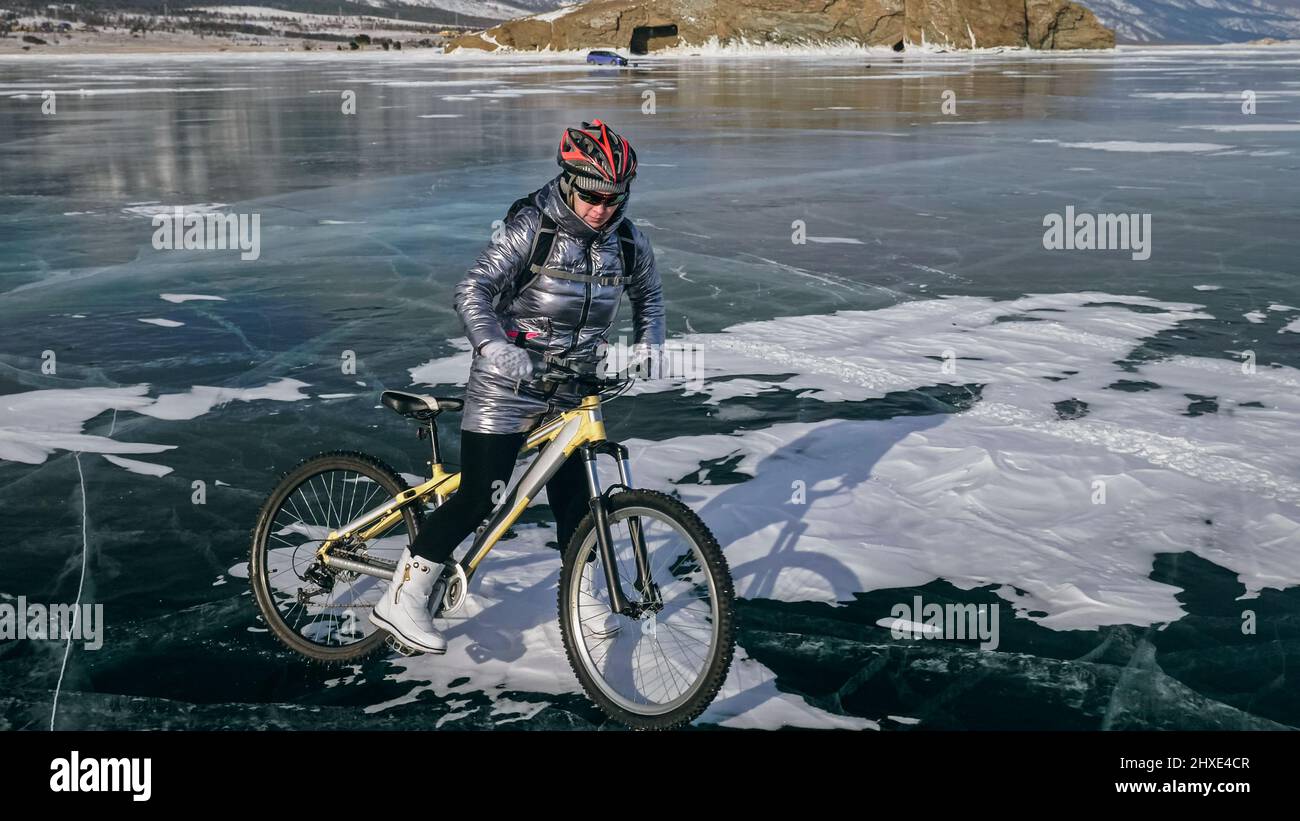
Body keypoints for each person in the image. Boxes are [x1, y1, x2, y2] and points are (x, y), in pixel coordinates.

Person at [371, 119, 666, 654]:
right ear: (570, 182)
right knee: (480, 495)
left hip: (572, 388)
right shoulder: (533, 227)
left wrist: (650, 343)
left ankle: (584, 594)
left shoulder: (627, 243)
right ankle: (403, 598)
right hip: (507, 385)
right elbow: (473, 290)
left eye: (614, 197)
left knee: (576, 502)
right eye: (592, 196)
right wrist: (495, 348)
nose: (602, 208)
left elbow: (650, 297)